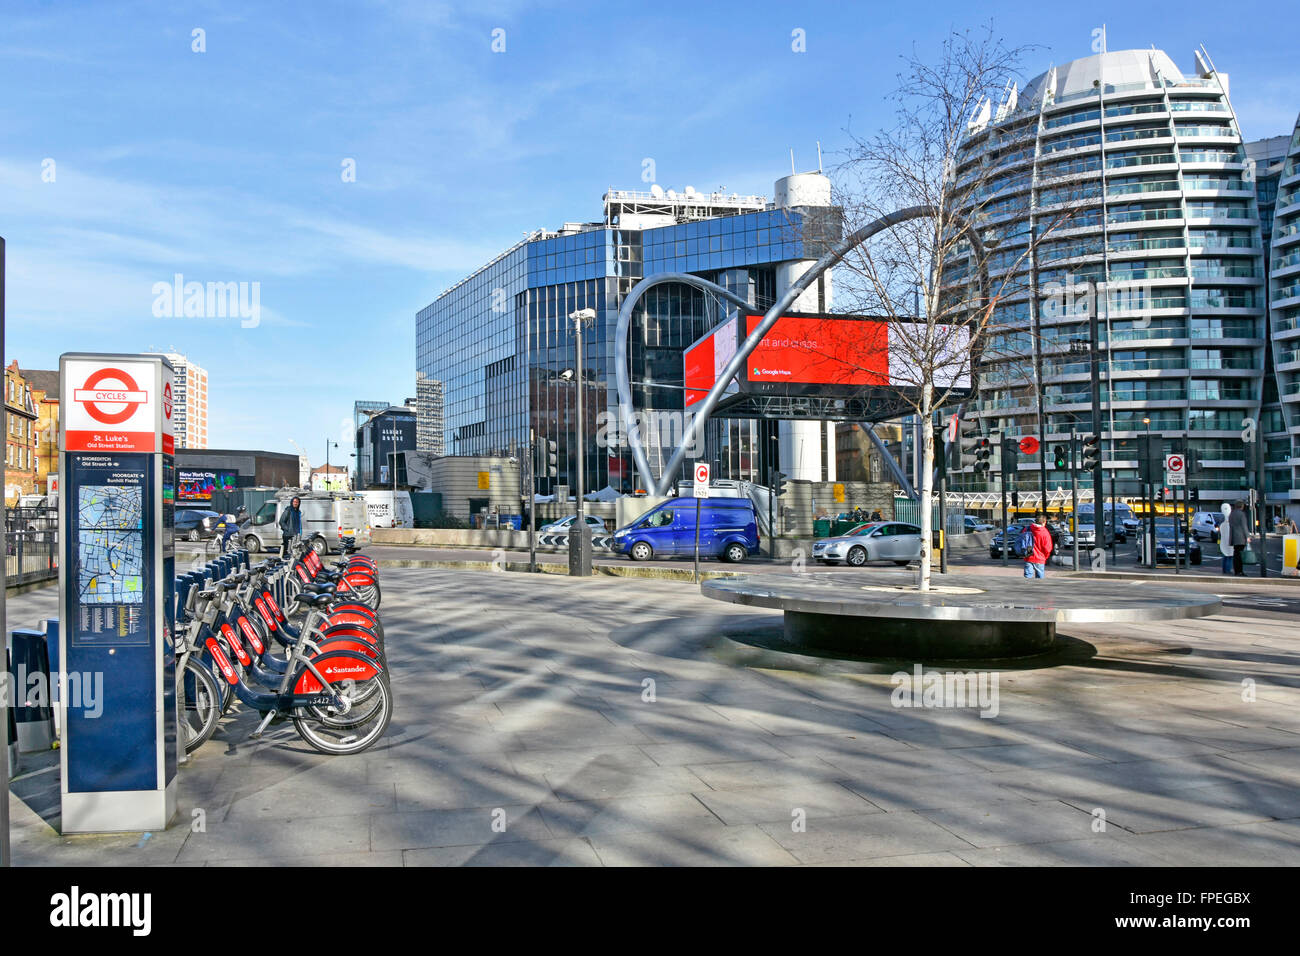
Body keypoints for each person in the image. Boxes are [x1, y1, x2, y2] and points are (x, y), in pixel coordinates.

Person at [1022, 513, 1054, 579]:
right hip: (1040, 558)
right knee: (1040, 579)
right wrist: (1046, 556)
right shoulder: (1045, 532)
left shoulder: (1028, 529)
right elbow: (1048, 547)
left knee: (1027, 578)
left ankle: (1027, 588)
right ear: (1044, 522)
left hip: (1028, 556)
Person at [1227, 500, 1249, 577]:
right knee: (1240, 555)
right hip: (1241, 537)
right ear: (1241, 506)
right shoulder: (1242, 514)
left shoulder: (1231, 514)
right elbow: (1244, 526)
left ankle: (1236, 571)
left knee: (1236, 554)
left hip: (1233, 536)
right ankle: (1240, 571)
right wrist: (1247, 536)